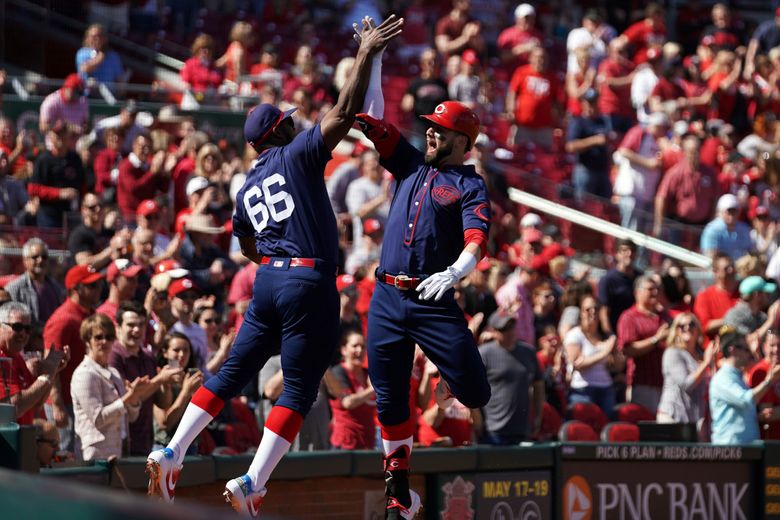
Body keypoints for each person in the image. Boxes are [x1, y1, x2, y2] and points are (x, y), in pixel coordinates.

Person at [145, 17, 403, 517]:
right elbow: (347, 109)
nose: (293, 122)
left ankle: (172, 450)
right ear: (278, 131)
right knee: (301, 388)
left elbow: (244, 245)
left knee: (232, 372)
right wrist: (368, 53)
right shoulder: (298, 153)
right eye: (287, 120)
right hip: (308, 278)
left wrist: (279, 260)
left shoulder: (246, 187)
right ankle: (253, 482)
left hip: (268, 282)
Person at [356, 70, 492, 520]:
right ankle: (399, 486)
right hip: (388, 297)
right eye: (429, 126)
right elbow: (373, 121)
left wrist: (455, 272)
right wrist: (373, 61)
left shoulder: (470, 184)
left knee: (474, 392)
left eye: (439, 128)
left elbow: (477, 239)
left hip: (434, 299)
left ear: (461, 139)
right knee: (389, 394)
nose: (429, 132)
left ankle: (445, 376)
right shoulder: (412, 164)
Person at [71, 313, 150, 460]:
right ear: (88, 341)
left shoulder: (113, 373)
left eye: (109, 337)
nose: (104, 342)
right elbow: (98, 419)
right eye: (98, 337)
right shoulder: (84, 374)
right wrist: (127, 398)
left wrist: (135, 397)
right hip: (95, 455)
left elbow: (131, 417)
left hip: (120, 450)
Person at [43, 264, 104, 452]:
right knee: (64, 456)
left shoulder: (89, 314)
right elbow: (50, 364)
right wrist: (57, 405)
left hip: (82, 400)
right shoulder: (63, 319)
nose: (98, 289)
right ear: (75, 289)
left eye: (98, 284)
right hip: (65, 403)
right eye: (91, 286)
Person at [110, 301, 180, 456]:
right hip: (120, 443)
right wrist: (160, 380)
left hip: (145, 441)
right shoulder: (113, 356)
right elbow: (128, 400)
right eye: (131, 325)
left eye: (141, 325)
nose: (137, 330)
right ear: (118, 328)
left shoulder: (148, 356)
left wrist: (166, 384)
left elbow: (163, 402)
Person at [479, 310, 544, 445]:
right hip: (493, 430)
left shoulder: (528, 352)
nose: (509, 332)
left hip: (522, 429)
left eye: (511, 327)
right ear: (493, 331)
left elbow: (538, 385)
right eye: (504, 329)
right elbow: (473, 390)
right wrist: (478, 422)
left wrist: (538, 416)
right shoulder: (484, 354)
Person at [0, 302, 67, 425]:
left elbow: (37, 402)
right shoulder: (2, 359)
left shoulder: (16, 357)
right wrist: (46, 376)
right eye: (17, 327)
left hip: (22, 438)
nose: (23, 334)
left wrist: (52, 371)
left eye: (27, 329)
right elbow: (13, 408)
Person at [710, 331, 780, 444]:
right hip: (730, 449)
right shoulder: (723, 378)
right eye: (746, 349)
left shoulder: (739, 377)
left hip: (744, 447)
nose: (750, 354)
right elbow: (746, 400)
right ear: (732, 350)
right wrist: (770, 380)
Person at [616, 274, 671, 414]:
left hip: (666, 383)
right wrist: (656, 339)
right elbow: (627, 349)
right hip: (643, 383)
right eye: (650, 289)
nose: (655, 292)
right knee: (646, 426)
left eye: (657, 289)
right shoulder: (629, 317)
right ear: (637, 292)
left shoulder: (664, 316)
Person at [656, 313, 714, 440]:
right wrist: (706, 363)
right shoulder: (672, 353)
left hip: (692, 420)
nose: (687, 328)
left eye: (692, 324)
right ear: (676, 331)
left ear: (698, 329)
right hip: (673, 418)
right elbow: (686, 385)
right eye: (682, 326)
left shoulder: (701, 355)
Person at [564, 295, 618, 415]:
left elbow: (617, 367)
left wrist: (615, 351)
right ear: (581, 312)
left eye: (596, 309)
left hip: (606, 388)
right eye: (588, 309)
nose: (592, 312)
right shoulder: (574, 335)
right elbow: (577, 364)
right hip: (583, 390)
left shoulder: (605, 336)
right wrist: (604, 353)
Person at [153, 333, 203, 452]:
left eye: (186, 350)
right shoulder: (158, 378)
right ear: (165, 352)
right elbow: (165, 423)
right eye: (176, 350)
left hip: (190, 447)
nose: (181, 355)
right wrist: (186, 391)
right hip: (165, 448)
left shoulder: (190, 379)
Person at [28, 123, 85, 228]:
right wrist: (59, 193)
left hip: (71, 213)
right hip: (49, 214)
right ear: (50, 137)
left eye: (64, 134)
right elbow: (33, 189)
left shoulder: (75, 158)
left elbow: (82, 184)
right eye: (57, 135)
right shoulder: (43, 159)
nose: (61, 138)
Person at [328, 329, 375, 450]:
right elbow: (347, 402)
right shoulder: (338, 372)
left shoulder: (368, 374)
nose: (360, 350)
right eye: (355, 346)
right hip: (346, 444)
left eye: (363, 347)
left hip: (368, 444)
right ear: (344, 350)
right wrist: (373, 389)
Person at [5, 238, 64, 327]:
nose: (40, 260)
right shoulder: (14, 289)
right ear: (25, 260)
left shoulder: (56, 288)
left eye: (44, 257)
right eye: (35, 257)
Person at [598, 238, 641, 334]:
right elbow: (604, 313)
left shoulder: (640, 278)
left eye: (632, 251)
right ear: (617, 254)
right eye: (624, 250)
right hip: (616, 332)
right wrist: (610, 336)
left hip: (637, 331)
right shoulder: (608, 280)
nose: (629, 254)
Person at [701, 194, 754, 260]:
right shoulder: (712, 230)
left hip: (741, 267)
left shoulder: (744, 229)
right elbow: (710, 255)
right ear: (721, 212)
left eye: (734, 211)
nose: (732, 215)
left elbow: (750, 251)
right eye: (729, 212)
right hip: (719, 268)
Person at [75, 23, 125, 88]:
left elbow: (120, 79)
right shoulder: (82, 53)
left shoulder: (113, 56)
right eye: (93, 36)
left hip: (109, 94)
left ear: (105, 38)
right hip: (89, 94)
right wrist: (100, 58)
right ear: (87, 38)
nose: (97, 39)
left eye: (99, 36)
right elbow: (84, 69)